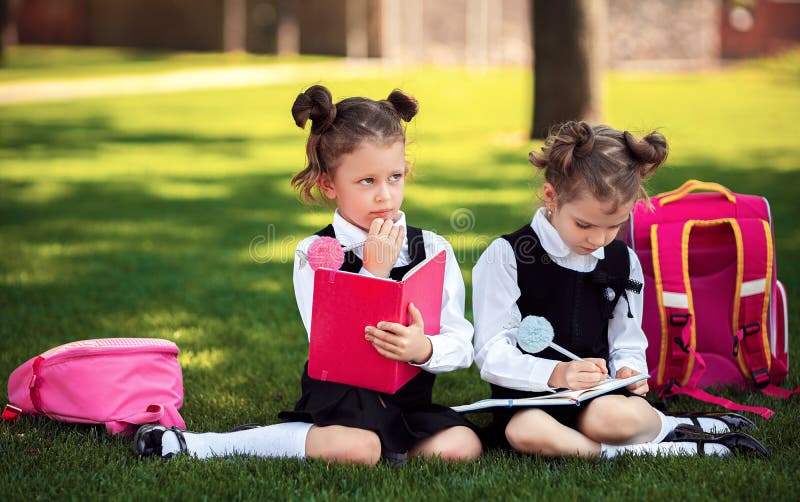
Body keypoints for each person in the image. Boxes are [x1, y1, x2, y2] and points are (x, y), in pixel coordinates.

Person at [133, 85, 482, 465]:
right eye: (367, 181)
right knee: (359, 449)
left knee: (462, 445)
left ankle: (381, 444)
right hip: (342, 400)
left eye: (394, 177)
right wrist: (373, 271)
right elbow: (332, 342)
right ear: (329, 185)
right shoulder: (316, 254)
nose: (385, 195)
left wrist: (425, 349)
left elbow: (461, 343)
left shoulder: (433, 248)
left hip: (405, 402)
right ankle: (217, 444)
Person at [471, 121, 769, 458]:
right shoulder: (507, 255)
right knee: (523, 431)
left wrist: (628, 370)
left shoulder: (622, 260)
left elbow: (626, 340)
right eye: (584, 224)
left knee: (613, 419)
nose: (598, 239)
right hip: (531, 401)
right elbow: (492, 352)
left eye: (614, 226)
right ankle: (659, 449)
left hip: (599, 401)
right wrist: (557, 372)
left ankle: (669, 425)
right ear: (551, 196)